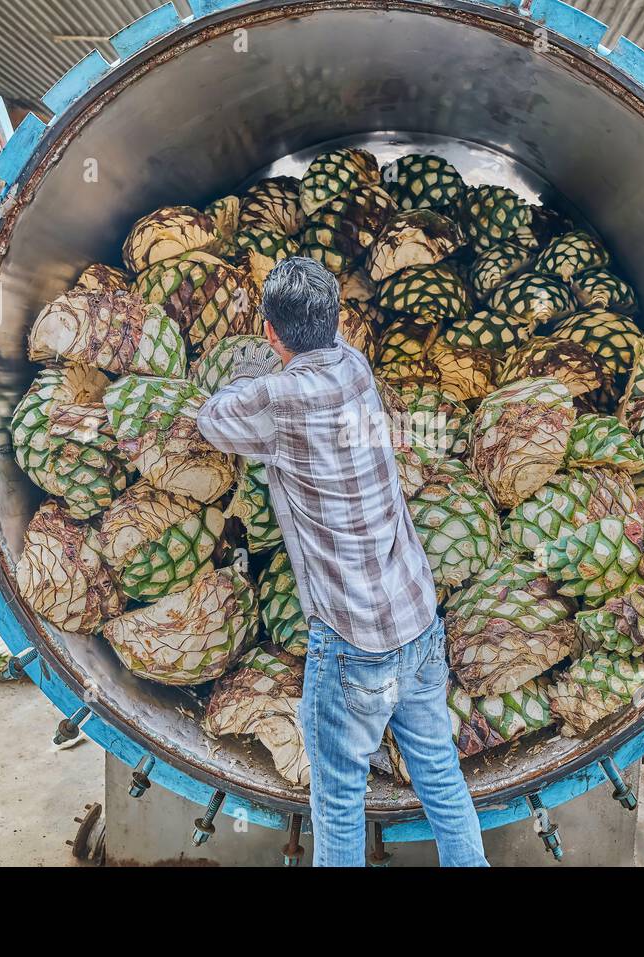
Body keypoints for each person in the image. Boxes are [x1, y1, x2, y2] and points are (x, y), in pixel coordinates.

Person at [197, 256, 487, 867]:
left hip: (354, 639)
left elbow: (213, 421)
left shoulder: (278, 398)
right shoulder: (355, 368)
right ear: (334, 321)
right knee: (438, 772)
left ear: (271, 332)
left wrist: (246, 375)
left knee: (337, 796)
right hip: (417, 619)